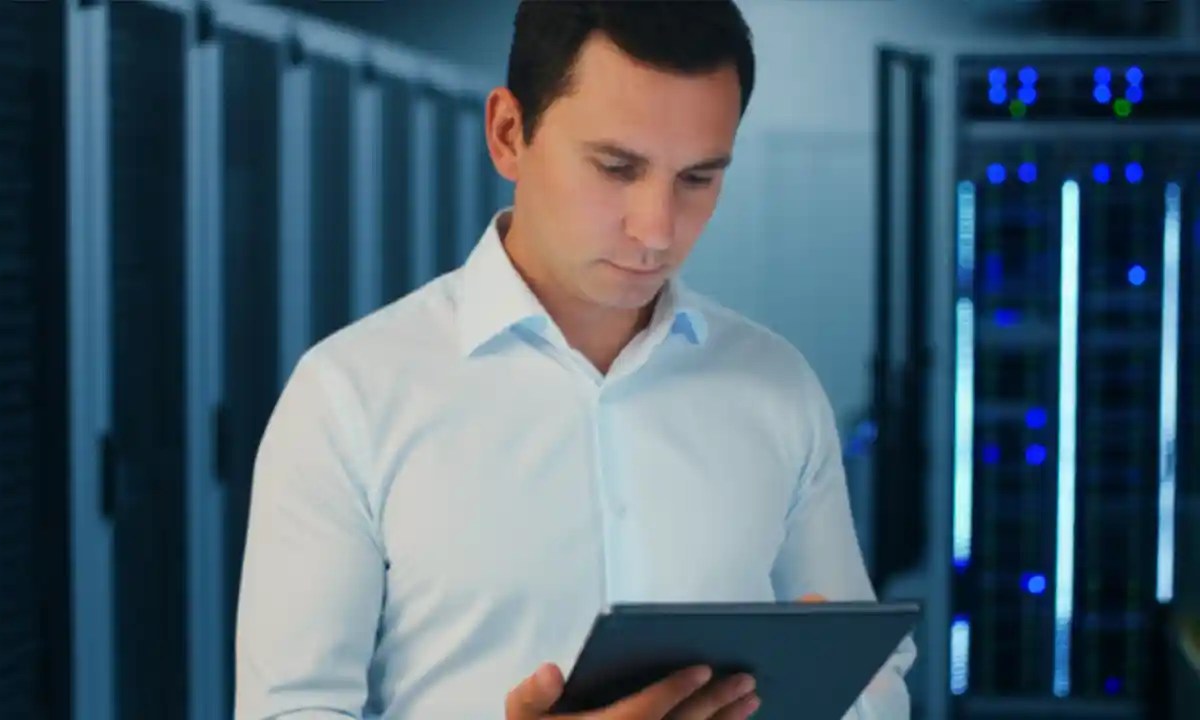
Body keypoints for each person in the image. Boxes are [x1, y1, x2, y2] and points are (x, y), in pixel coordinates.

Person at [234, 1, 916, 718]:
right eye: (617, 168)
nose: (656, 229)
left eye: (698, 178)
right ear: (508, 134)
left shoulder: (776, 387)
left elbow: (871, 677)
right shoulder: (349, 395)